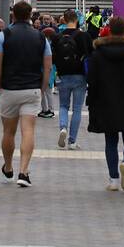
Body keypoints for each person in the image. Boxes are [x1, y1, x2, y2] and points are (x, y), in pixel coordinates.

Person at [0, 1, 52, 188]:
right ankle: (24, 172)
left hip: (9, 89)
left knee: (8, 131)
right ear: (30, 16)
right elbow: (48, 66)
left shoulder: (4, 35)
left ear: (13, 15)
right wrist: (42, 87)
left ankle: (8, 167)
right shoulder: (41, 37)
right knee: (28, 131)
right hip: (32, 89)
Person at [86, 15, 124, 193]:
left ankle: (113, 179)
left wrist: (91, 102)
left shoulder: (98, 53)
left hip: (105, 101)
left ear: (109, 30)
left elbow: (92, 80)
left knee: (110, 141)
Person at [53, 10, 90, 150]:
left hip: (63, 74)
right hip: (80, 76)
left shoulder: (58, 37)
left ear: (64, 19)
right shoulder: (83, 36)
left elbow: (54, 56)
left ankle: (63, 127)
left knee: (63, 105)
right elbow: (89, 55)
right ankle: (72, 141)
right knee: (77, 109)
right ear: (76, 19)